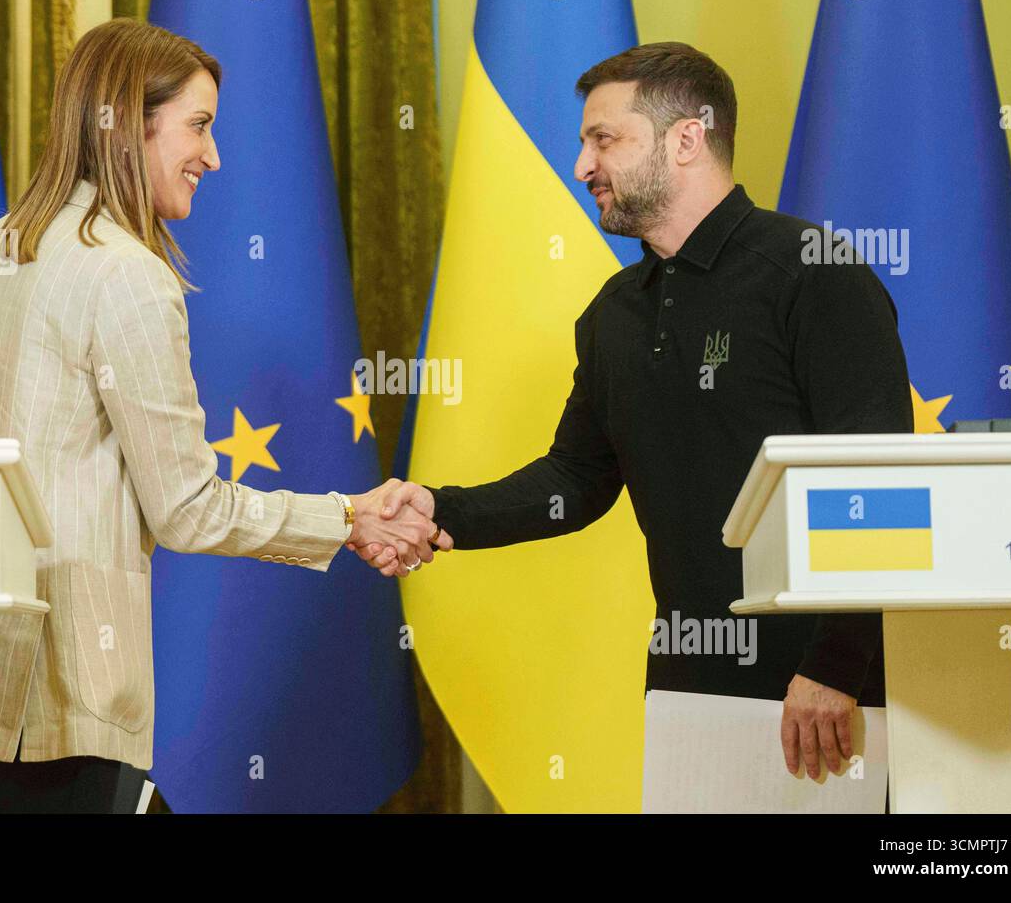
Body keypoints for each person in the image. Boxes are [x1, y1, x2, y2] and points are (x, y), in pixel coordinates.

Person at [0, 18, 447, 813]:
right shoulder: (127, 276)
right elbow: (187, 509)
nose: (213, 156)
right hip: (61, 705)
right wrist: (349, 518)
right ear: (127, 123)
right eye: (198, 126)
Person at [359, 42, 914, 786]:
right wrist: (436, 509)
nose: (583, 165)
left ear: (686, 138)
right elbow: (576, 480)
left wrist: (836, 668)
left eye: (603, 139)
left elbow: (878, 483)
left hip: (827, 697)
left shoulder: (816, 273)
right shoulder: (613, 313)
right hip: (684, 684)